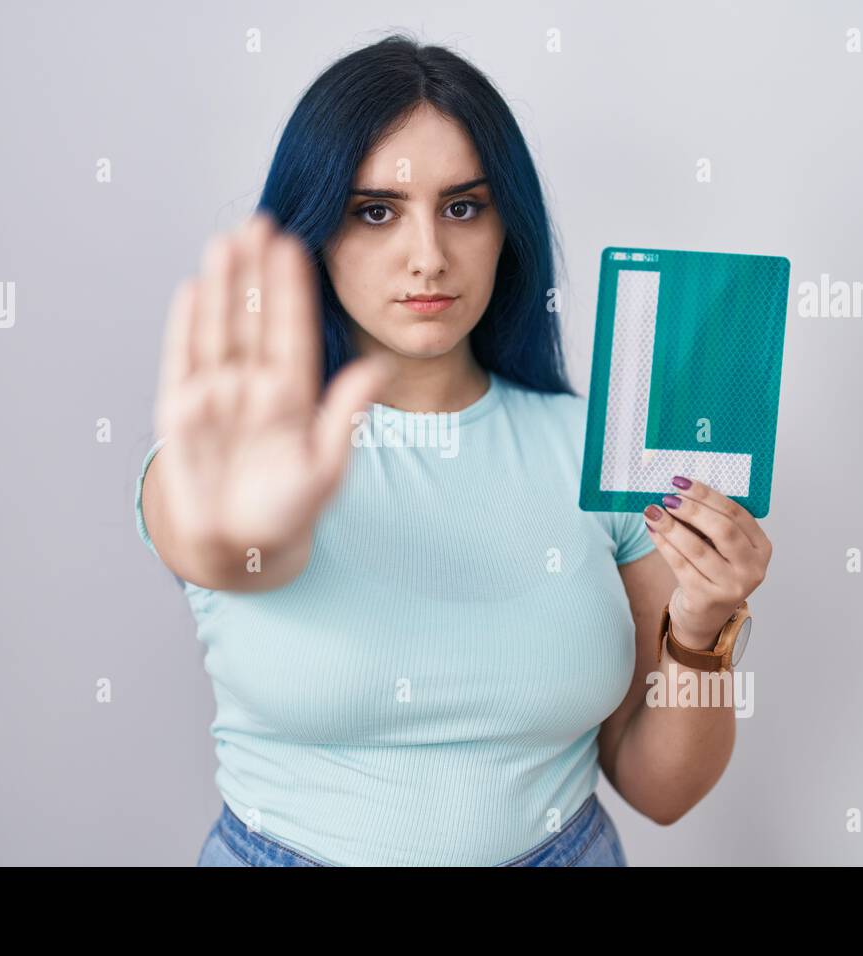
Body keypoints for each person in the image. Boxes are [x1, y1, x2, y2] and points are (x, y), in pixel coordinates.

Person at [136, 34, 773, 866]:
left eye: (463, 206)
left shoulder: (603, 455)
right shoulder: (227, 459)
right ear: (314, 229)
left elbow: (661, 790)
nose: (428, 256)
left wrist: (703, 629)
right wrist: (250, 531)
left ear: (509, 224)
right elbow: (223, 545)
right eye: (376, 212)